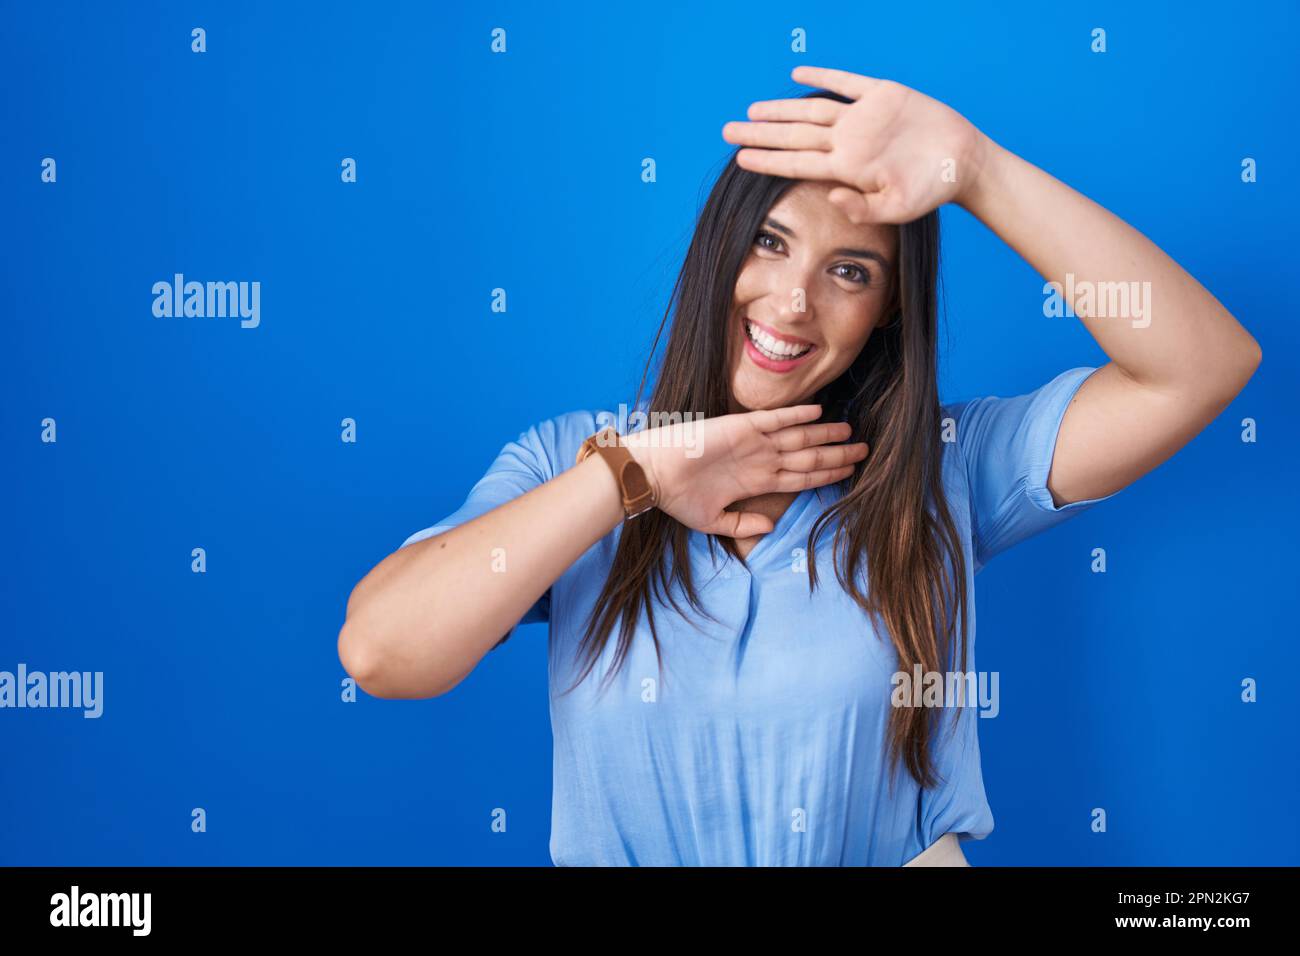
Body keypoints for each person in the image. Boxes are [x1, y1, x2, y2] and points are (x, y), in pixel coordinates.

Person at [338, 66, 1261, 866]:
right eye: (771, 242)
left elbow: (1201, 367)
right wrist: (634, 479)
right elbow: (381, 653)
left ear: (889, 311)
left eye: (851, 271)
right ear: (719, 248)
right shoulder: (566, 459)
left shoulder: (941, 468)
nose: (793, 301)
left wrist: (977, 170)